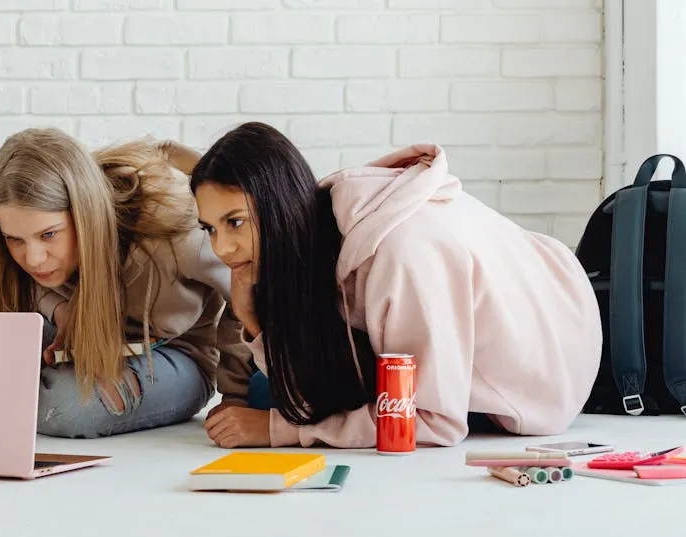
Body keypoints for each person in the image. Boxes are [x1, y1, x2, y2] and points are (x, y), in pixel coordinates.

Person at [190, 121, 602, 449]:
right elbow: (313, 388)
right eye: (209, 228)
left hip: (554, 364)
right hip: (531, 302)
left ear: (278, 203)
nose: (222, 248)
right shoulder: (318, 231)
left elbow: (434, 422)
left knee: (269, 400)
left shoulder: (400, 255)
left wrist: (276, 431)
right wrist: (254, 321)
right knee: (272, 389)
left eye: (236, 222)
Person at [0, 127, 254, 438]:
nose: (34, 259)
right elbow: (25, 286)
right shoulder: (26, 254)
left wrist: (236, 395)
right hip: (77, 336)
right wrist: (61, 309)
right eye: (15, 240)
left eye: (48, 235)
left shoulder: (175, 237)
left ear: (84, 213)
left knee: (67, 407)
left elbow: (246, 291)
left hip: (170, 353)